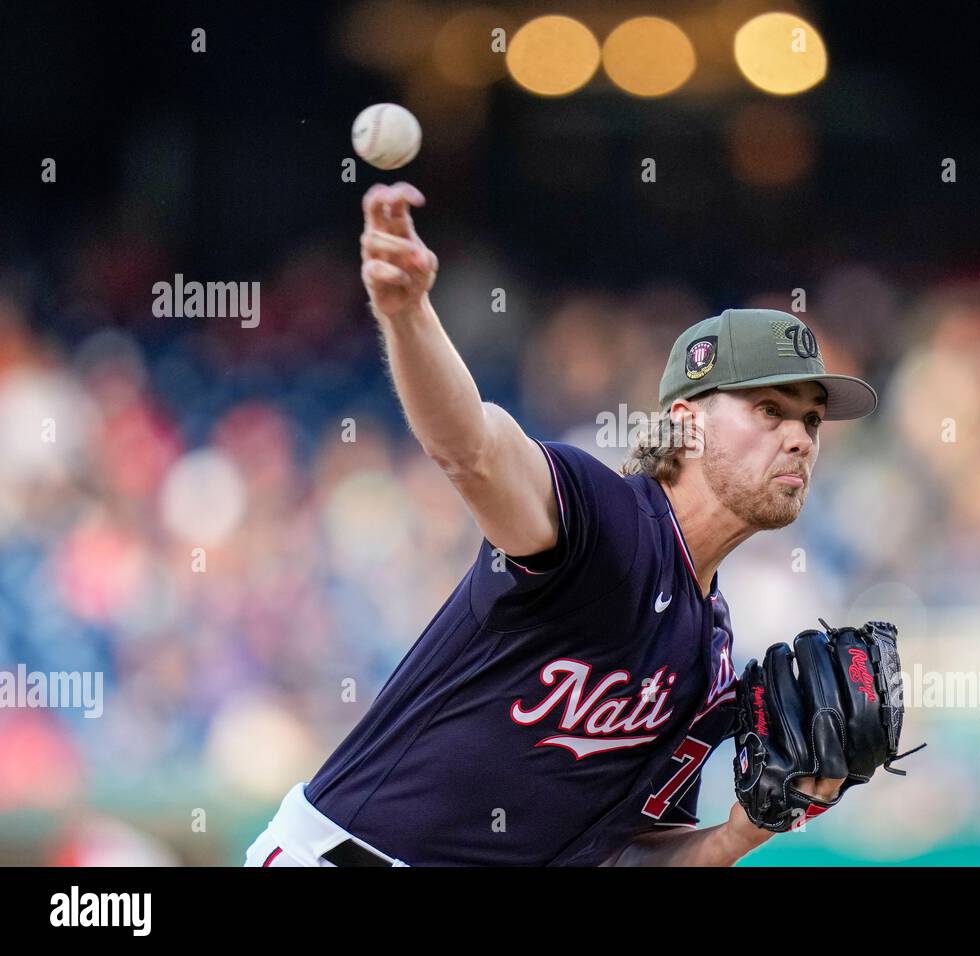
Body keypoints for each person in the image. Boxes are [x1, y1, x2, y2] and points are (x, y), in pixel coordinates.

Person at [243, 182, 879, 866]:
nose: (801, 439)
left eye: (811, 420)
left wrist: (741, 833)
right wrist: (408, 315)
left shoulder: (710, 649)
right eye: (770, 411)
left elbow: (623, 855)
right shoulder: (604, 519)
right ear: (689, 423)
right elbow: (472, 450)